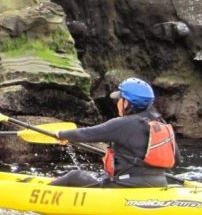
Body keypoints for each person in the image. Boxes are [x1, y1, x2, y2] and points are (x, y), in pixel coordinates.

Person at [51, 77, 179, 187]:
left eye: (119, 99)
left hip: (127, 185)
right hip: (159, 182)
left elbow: (89, 133)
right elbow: (176, 159)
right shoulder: (161, 124)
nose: (117, 103)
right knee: (100, 175)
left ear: (127, 103)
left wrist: (61, 134)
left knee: (74, 176)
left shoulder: (123, 124)